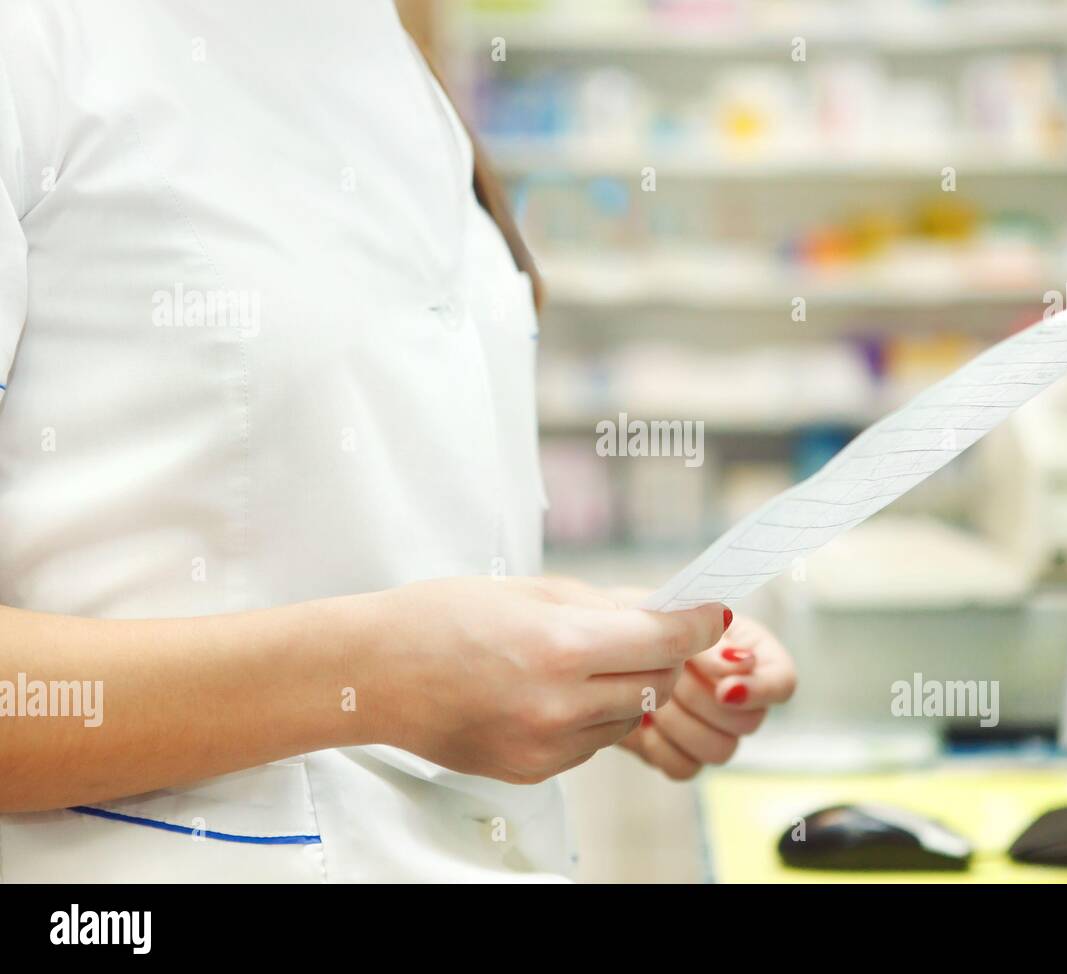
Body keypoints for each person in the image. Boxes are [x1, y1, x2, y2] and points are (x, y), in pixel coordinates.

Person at [0, 0, 796, 882]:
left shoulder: (385, 46)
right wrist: (381, 676)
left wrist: (574, 657)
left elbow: (366, 533)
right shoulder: (40, 41)